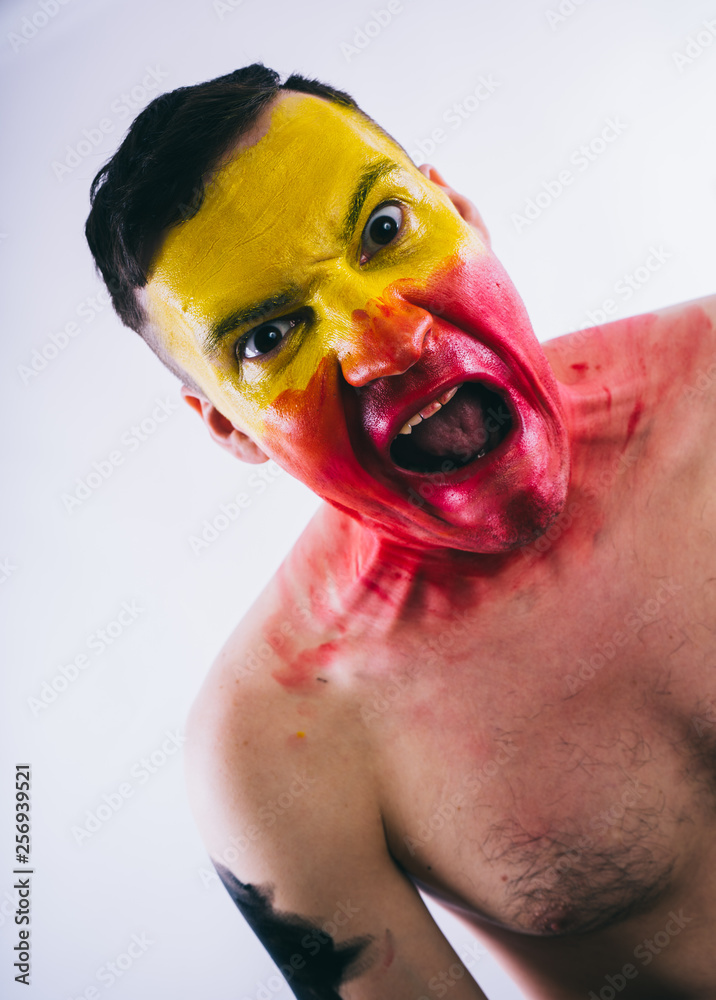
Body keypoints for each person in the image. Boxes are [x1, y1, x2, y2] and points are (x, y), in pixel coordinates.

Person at [85, 63, 716, 1000]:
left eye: (384, 231)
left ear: (458, 210)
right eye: (267, 338)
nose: (389, 343)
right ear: (228, 425)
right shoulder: (278, 742)